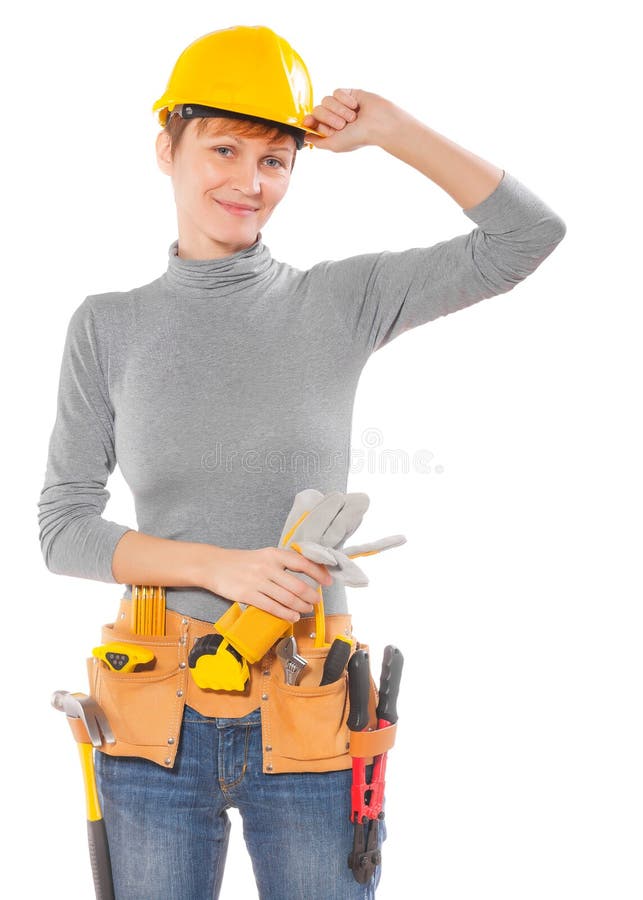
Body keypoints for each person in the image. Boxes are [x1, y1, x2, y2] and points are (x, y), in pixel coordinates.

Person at [37, 24, 566, 900]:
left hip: (308, 706)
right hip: (153, 715)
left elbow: (527, 237)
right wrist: (222, 569)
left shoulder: (338, 301)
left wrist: (396, 131)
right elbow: (63, 528)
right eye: (224, 148)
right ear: (166, 148)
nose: (248, 180)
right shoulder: (108, 325)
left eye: (276, 159)